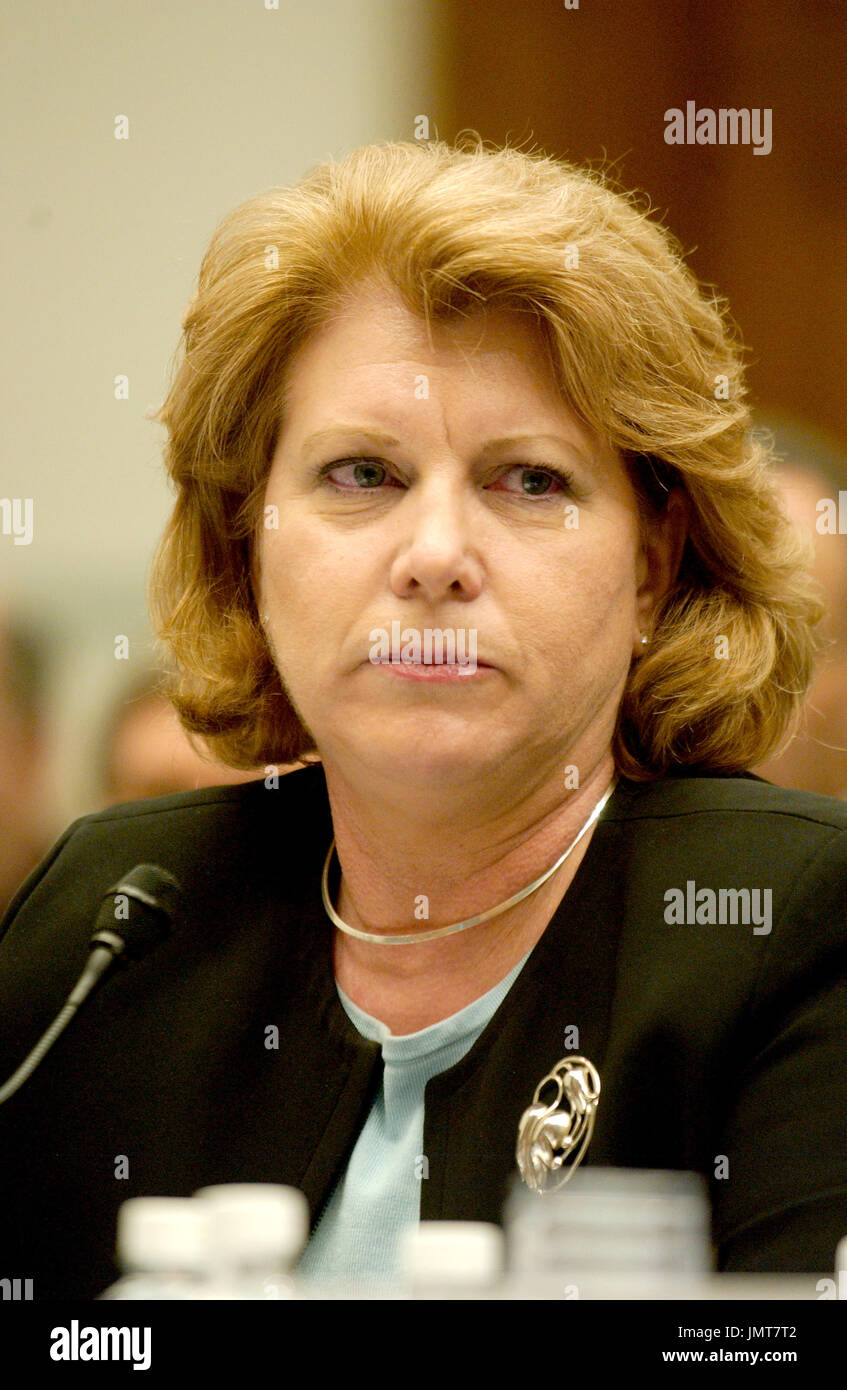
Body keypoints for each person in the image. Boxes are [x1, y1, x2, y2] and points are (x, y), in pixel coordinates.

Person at [1, 136, 846, 1300]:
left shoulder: (796, 926)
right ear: (250, 546)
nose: (436, 557)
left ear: (653, 565)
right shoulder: (122, 918)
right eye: (361, 475)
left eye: (530, 480)